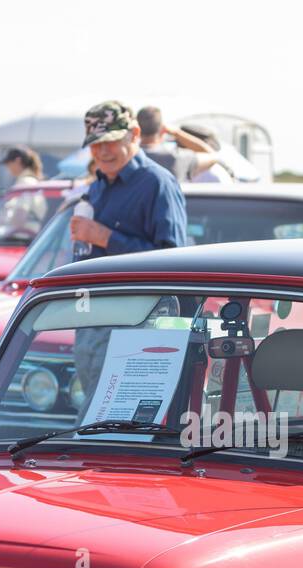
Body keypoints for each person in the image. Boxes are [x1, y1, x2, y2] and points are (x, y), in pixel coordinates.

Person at [69, 100, 189, 399]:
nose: (103, 151)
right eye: (95, 144)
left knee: (112, 421)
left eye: (111, 141)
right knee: (94, 416)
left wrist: (105, 237)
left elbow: (173, 261)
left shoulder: (156, 183)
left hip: (137, 325)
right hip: (93, 320)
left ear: (134, 133)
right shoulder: (98, 186)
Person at [136, 106, 224, 182]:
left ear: (137, 130)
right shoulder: (175, 158)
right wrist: (177, 133)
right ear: (162, 130)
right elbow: (212, 155)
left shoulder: (130, 157)